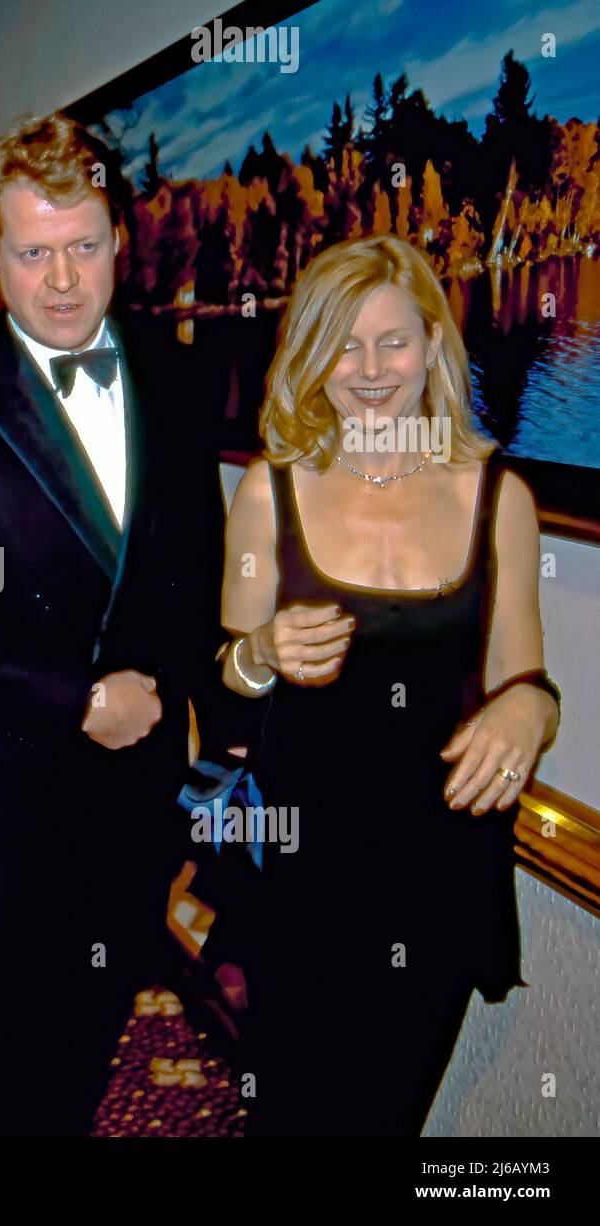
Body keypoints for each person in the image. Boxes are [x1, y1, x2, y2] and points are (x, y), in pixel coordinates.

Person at [0, 112, 233, 1136]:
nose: (62, 280)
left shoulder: (178, 372)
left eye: (83, 247)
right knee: (11, 1082)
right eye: (33, 253)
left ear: (120, 237)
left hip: (130, 811)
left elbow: (185, 572)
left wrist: (201, 710)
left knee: (80, 1067)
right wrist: (80, 701)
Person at [219, 234, 558, 1136]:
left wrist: (533, 704)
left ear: (434, 347)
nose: (370, 370)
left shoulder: (497, 496)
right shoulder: (269, 491)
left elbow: (521, 676)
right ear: (310, 354)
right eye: (343, 343)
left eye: (394, 342)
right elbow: (220, 692)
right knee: (292, 1113)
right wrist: (258, 653)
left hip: (438, 877)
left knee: (390, 1114)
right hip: (301, 874)